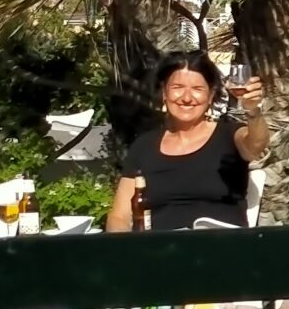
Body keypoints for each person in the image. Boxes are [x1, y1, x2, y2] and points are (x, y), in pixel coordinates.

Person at [107, 52, 268, 231]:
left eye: (197, 89)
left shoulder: (229, 135)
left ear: (210, 95)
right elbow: (119, 216)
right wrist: (122, 245)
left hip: (221, 244)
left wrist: (253, 111)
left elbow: (255, 146)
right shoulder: (144, 146)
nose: (186, 97)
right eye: (177, 87)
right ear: (164, 92)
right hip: (161, 246)